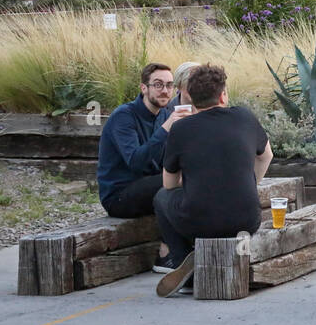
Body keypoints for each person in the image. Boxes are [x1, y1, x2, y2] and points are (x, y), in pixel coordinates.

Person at [153, 64, 275, 296]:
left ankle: (183, 264)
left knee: (161, 198)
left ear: (190, 97)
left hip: (199, 223)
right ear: (222, 94)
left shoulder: (181, 129)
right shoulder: (244, 117)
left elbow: (168, 185)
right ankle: (216, 253)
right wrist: (251, 182)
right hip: (246, 220)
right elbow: (266, 155)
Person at [96, 63, 191, 262]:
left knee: (192, 177)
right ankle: (168, 254)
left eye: (169, 85)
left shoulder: (165, 114)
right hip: (119, 195)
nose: (165, 91)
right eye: (158, 85)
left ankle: (193, 246)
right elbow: (136, 162)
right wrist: (166, 128)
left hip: (150, 187)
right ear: (144, 88)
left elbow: (170, 159)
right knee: (176, 183)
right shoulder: (124, 117)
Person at [155, 61, 201, 127]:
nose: (196, 89)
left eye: (200, 84)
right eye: (191, 85)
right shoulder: (163, 112)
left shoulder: (211, 110)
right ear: (179, 85)